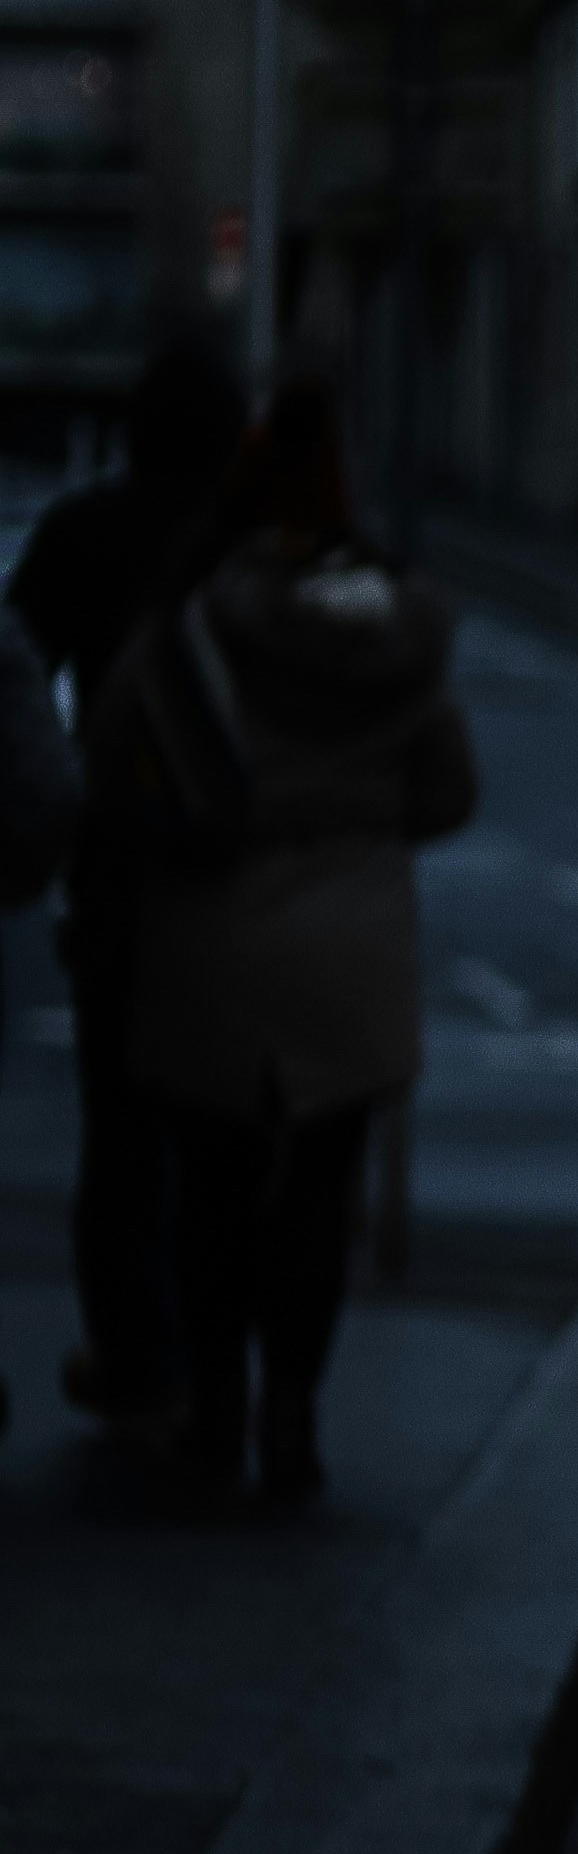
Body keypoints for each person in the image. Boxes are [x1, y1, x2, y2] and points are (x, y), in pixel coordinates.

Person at [74, 372, 473, 1513]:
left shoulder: (193, 626)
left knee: (209, 1188)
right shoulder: (393, 634)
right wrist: (356, 823)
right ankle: (294, 1415)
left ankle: (216, 1411)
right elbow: (448, 792)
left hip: (212, 938)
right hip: (354, 953)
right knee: (317, 1199)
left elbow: (110, 762)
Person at [8, 331, 256, 1435]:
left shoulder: (80, 534)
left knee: (122, 1127)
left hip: (121, 865)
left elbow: (18, 691)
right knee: (234, 1136)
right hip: (251, 872)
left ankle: (132, 1350)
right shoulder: (259, 548)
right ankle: (233, 1371)